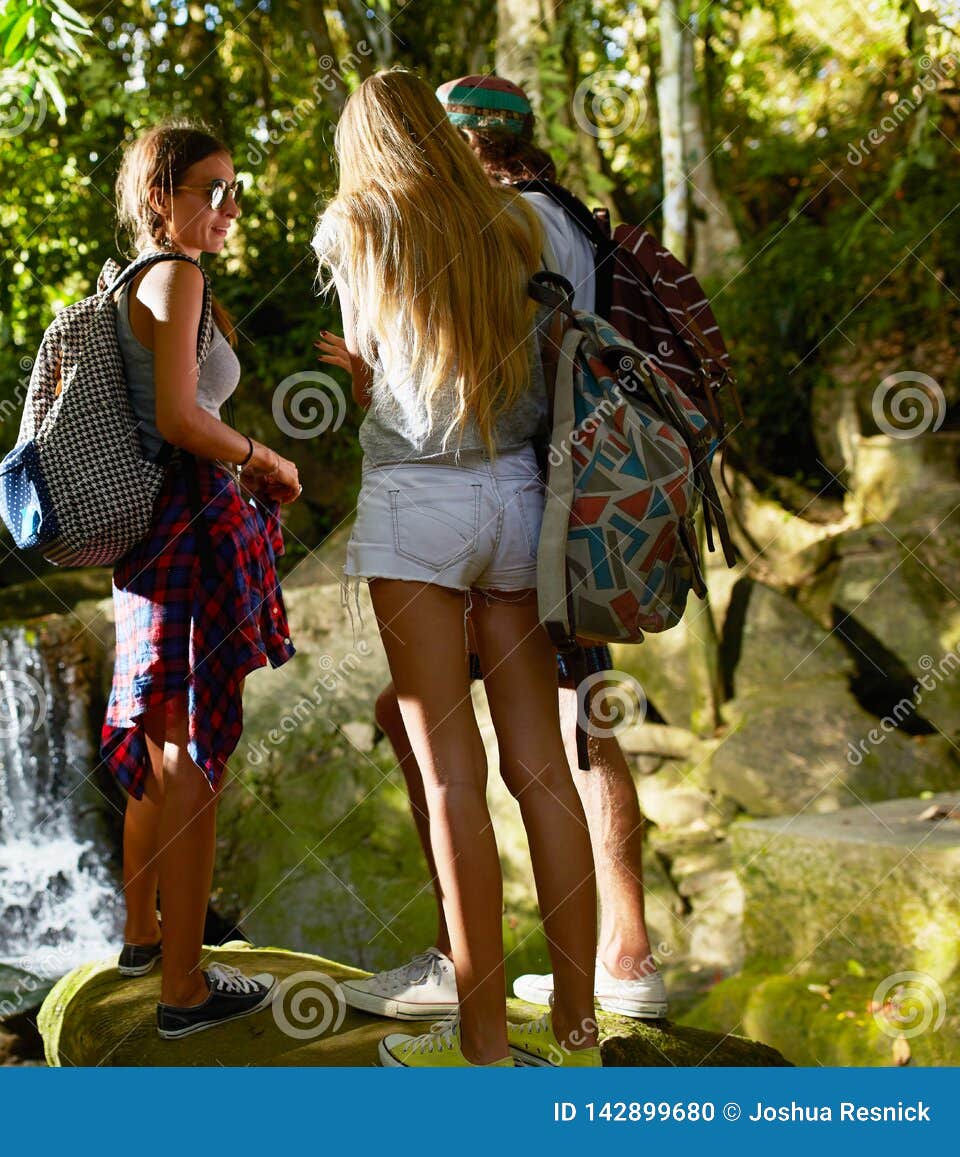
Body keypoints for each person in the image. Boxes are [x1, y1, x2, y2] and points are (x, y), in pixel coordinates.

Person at [318, 74, 668, 1028]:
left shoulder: (352, 225)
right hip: (519, 500)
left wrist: (356, 377)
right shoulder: (520, 225)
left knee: (449, 777)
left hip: (414, 506)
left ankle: (477, 1042)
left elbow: (383, 371)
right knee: (543, 768)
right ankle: (579, 1026)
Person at [100, 120, 304, 1039]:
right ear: (160, 199)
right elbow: (184, 416)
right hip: (186, 520)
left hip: (150, 533)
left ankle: (143, 935)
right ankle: (183, 986)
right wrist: (264, 454)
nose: (229, 206)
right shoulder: (176, 277)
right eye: (209, 190)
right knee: (191, 752)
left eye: (234, 186)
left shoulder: (132, 281)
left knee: (158, 733)